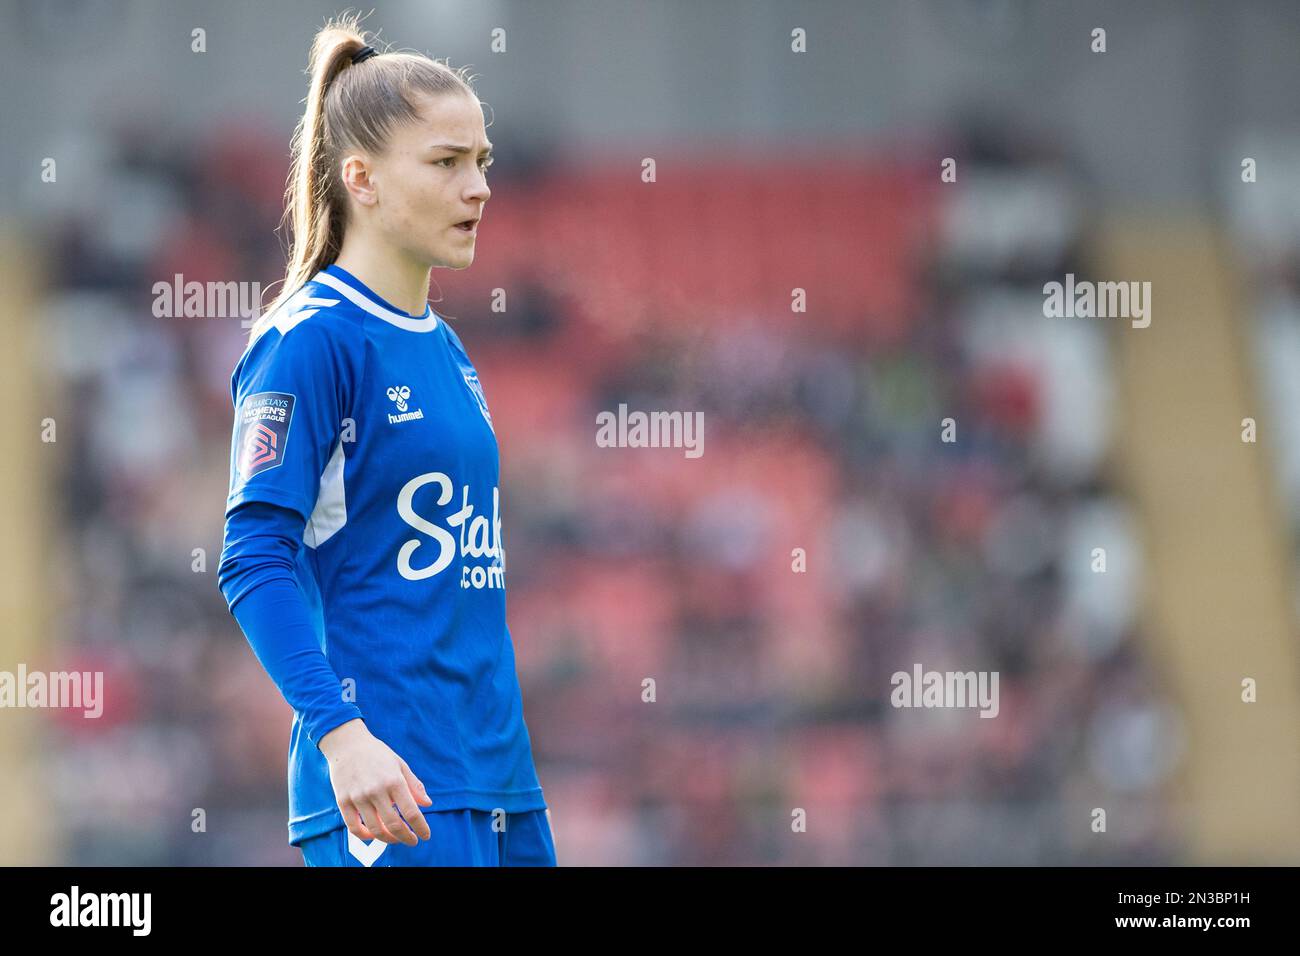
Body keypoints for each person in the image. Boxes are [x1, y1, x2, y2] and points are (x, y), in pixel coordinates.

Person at [216, 14, 555, 867]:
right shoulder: (310, 340)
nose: (477, 187)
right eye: (446, 163)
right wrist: (340, 737)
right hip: (387, 788)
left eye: (482, 161)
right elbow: (253, 558)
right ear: (360, 178)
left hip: (497, 782)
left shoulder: (445, 346)